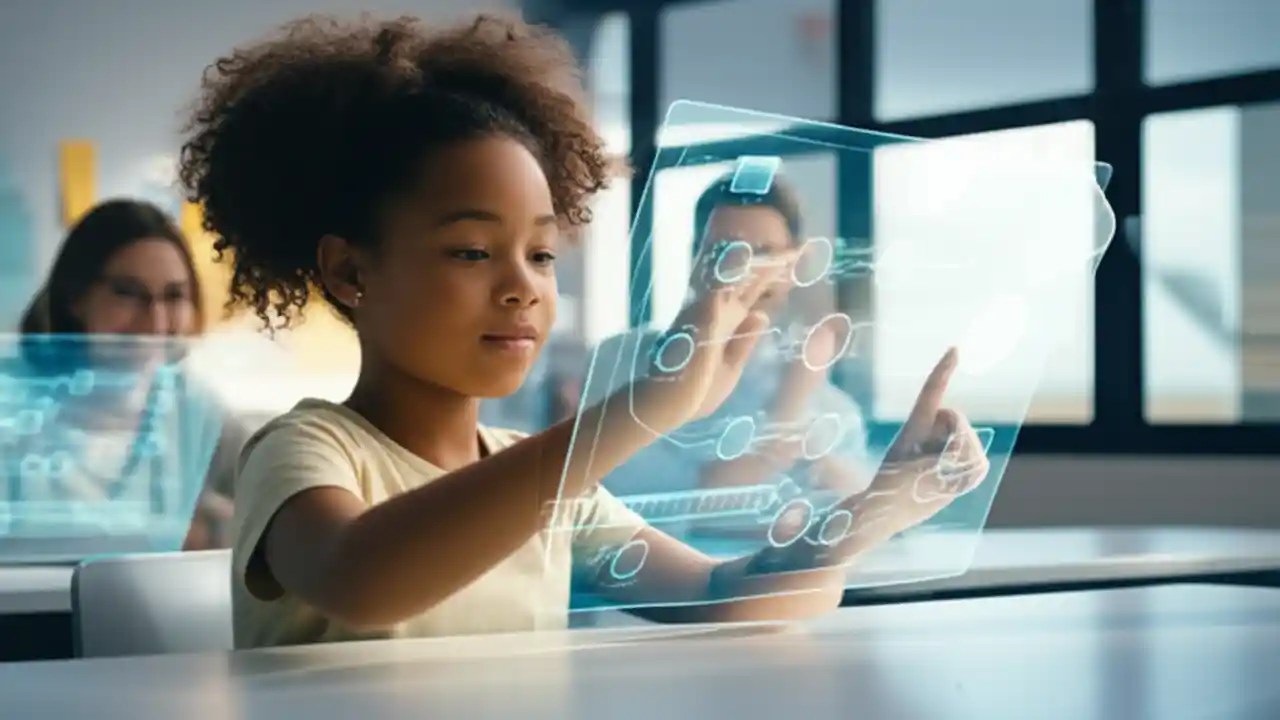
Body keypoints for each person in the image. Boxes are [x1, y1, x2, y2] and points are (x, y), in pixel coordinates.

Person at [178, 13, 988, 650]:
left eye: (540, 254)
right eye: (471, 251)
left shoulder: (550, 486)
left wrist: (873, 513)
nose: (523, 287)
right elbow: (363, 579)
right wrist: (639, 411)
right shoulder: (307, 450)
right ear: (351, 273)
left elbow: (729, 597)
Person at [588, 173, 875, 508]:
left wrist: (794, 406)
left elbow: (861, 515)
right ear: (696, 259)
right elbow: (639, 503)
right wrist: (785, 426)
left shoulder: (831, 408)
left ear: (796, 264)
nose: (743, 270)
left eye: (764, 253)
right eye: (724, 251)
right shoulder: (616, 363)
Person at [12, 199, 249, 551]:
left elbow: (278, 522)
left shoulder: (197, 411)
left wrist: (213, 529)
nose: (155, 323)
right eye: (128, 293)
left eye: (174, 296)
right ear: (75, 296)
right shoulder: (15, 406)